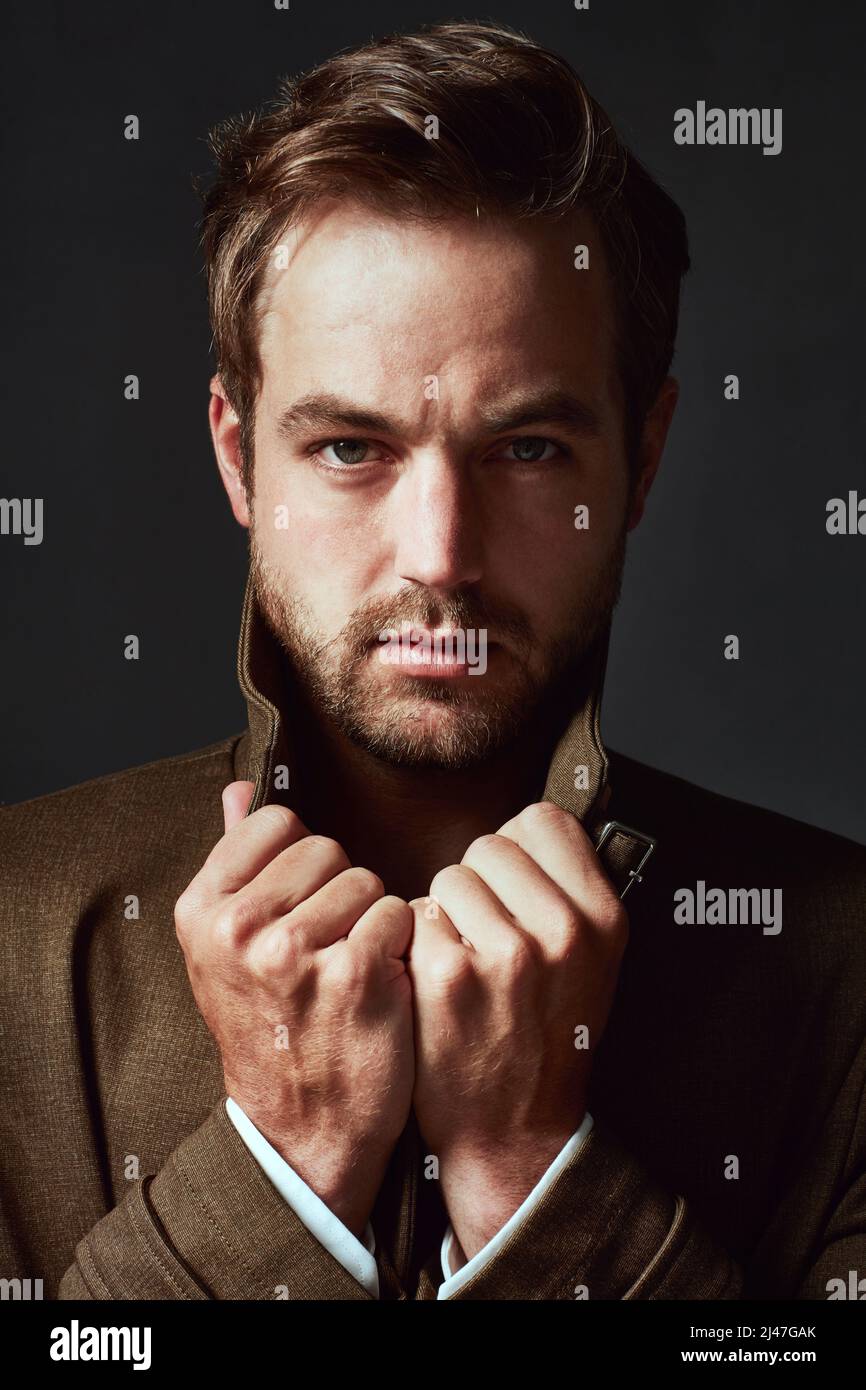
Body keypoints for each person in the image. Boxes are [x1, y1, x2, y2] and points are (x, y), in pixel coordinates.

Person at [1, 20, 864, 1302]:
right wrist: (274, 1169)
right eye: (349, 448)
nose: (440, 554)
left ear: (644, 454)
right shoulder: (8, 938)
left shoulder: (845, 974)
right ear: (239, 457)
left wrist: (532, 1177)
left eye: (525, 450)